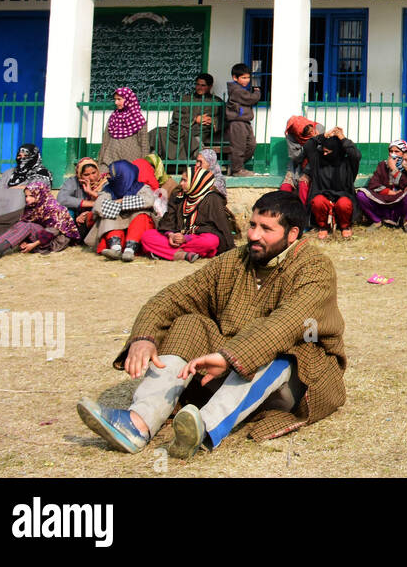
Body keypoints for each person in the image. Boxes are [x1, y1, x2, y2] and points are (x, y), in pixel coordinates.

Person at [75, 191, 346, 459]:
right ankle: (138, 423)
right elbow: (172, 297)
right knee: (190, 324)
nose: (253, 235)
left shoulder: (315, 268)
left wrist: (230, 357)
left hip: (299, 378)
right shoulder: (234, 260)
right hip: (227, 368)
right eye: (252, 225)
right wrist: (143, 337)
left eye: (266, 229)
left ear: (292, 234)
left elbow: (287, 322)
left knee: (280, 353)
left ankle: (202, 429)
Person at [137, 165, 235, 261]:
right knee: (147, 236)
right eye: (181, 180)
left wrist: (186, 238)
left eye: (184, 180)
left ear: (196, 182)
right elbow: (168, 221)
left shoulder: (212, 199)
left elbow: (217, 229)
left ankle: (168, 252)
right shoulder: (178, 195)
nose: (181, 183)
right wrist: (171, 235)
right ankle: (183, 255)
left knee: (211, 241)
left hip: (196, 239)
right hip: (175, 238)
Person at [0, 180, 80, 260]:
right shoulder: (33, 207)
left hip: (55, 241)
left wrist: (33, 244)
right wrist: (25, 241)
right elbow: (25, 225)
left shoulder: (53, 208)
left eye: (31, 196)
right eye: (26, 196)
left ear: (40, 194)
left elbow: (53, 231)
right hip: (41, 236)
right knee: (21, 224)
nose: (27, 199)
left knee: (27, 225)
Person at [89, 160, 161, 258]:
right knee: (107, 216)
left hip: (135, 223)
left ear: (121, 175)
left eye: (111, 174)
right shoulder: (108, 188)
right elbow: (99, 206)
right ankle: (115, 248)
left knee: (142, 215)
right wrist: (127, 206)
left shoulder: (141, 188)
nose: (108, 176)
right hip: (118, 222)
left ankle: (130, 250)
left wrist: (120, 202)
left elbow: (148, 201)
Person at [152, 73, 223, 163]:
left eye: (203, 85)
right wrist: (195, 119)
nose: (199, 87)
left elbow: (223, 119)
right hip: (177, 130)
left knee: (193, 138)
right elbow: (176, 115)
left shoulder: (216, 101)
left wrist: (213, 121)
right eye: (197, 84)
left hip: (197, 132)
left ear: (210, 86)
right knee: (158, 132)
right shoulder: (186, 99)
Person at [302, 129, 360, 240]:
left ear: (336, 151)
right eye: (323, 151)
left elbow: (355, 155)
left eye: (327, 152)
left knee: (344, 203)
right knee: (318, 201)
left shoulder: (347, 164)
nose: (324, 154)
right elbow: (308, 146)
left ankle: (345, 226)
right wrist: (324, 135)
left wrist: (342, 138)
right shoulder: (318, 161)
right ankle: (323, 227)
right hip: (323, 197)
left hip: (343, 197)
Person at [355, 142, 407, 231]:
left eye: (397, 151)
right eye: (391, 151)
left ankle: (406, 221)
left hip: (400, 202)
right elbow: (373, 184)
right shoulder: (382, 165)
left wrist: (394, 169)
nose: (393, 154)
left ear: (404, 153)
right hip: (383, 200)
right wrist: (391, 192)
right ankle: (377, 221)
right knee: (361, 195)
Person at [224, 63, 261, 176]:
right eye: (243, 78)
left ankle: (235, 165)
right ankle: (237, 170)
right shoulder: (236, 90)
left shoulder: (240, 89)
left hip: (245, 122)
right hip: (237, 122)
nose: (247, 80)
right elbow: (251, 99)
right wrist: (257, 92)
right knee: (239, 147)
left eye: (248, 77)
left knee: (251, 145)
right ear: (235, 78)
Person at [99, 86, 151, 166]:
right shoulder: (113, 118)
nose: (116, 102)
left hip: (132, 163)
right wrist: (100, 163)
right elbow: (105, 142)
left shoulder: (138, 120)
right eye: (115, 99)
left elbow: (144, 145)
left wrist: (143, 165)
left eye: (119, 99)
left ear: (128, 100)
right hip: (110, 161)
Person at [280, 115, 322, 205]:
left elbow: (320, 151)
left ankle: (303, 211)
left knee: (303, 183)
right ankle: (283, 212)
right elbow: (296, 157)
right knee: (286, 186)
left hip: (314, 162)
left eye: (312, 131)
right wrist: (309, 145)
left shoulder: (319, 128)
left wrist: (315, 142)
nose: (312, 134)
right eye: (308, 134)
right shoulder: (291, 136)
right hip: (297, 164)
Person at [57, 156, 104, 233]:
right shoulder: (73, 181)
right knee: (66, 211)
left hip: (96, 216)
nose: (91, 178)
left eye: (94, 172)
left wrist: (90, 192)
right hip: (77, 216)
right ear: (79, 175)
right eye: (86, 175)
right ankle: (68, 235)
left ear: (98, 171)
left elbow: (108, 202)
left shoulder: (105, 182)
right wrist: (90, 203)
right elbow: (62, 199)